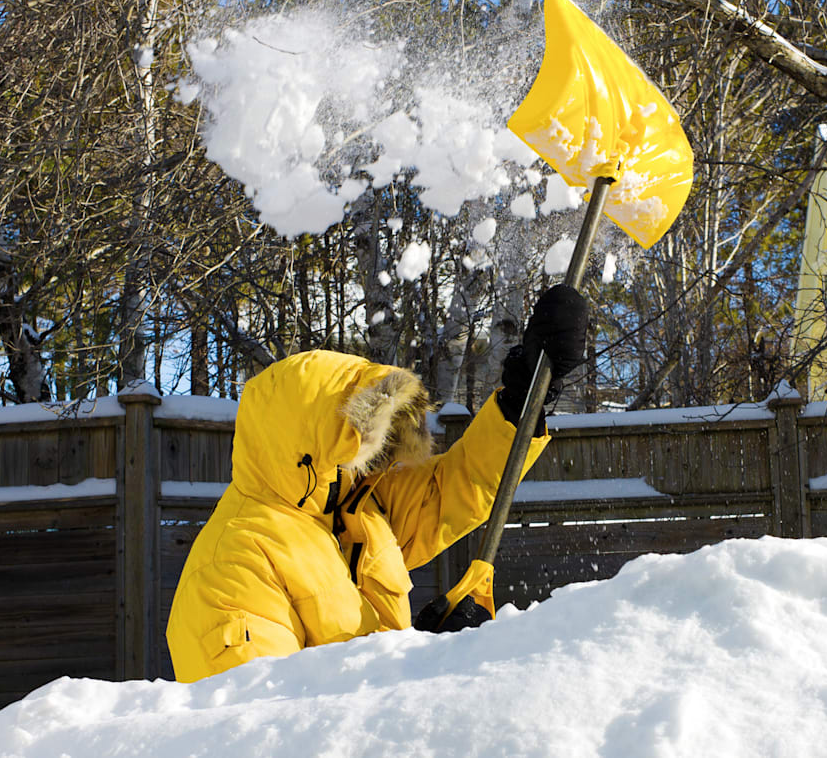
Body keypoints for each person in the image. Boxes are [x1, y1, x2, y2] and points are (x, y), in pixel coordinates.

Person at [166, 285, 589, 682]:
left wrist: (522, 398)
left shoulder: (353, 510)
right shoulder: (232, 568)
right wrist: (421, 674)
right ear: (310, 444)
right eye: (364, 440)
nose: (376, 460)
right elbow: (269, 727)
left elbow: (456, 486)